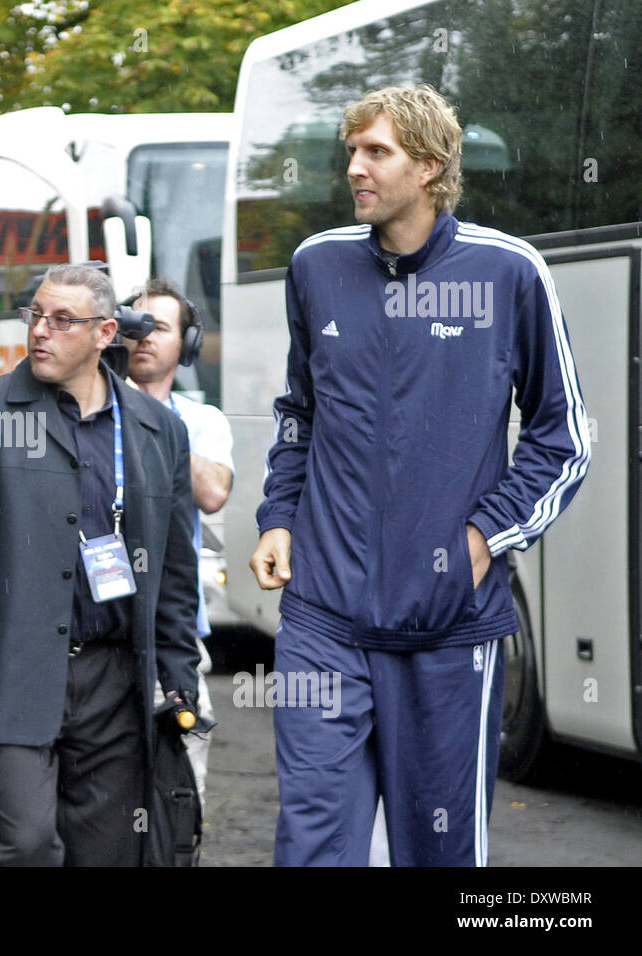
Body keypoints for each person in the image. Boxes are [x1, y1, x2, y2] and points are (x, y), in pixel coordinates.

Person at [249, 85, 591, 867]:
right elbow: (299, 409)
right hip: (321, 620)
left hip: (446, 625)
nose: (355, 169)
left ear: (430, 167)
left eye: (377, 153)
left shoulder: (510, 272)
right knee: (310, 845)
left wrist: (482, 539)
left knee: (435, 853)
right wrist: (278, 516)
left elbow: (562, 438)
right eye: (352, 151)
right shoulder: (316, 264)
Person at [0, 263, 201, 866]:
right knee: (24, 845)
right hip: (9, 667)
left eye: (63, 321)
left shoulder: (158, 429)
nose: (41, 331)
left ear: (106, 332)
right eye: (36, 315)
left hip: (116, 679)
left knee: (104, 853)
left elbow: (176, 571)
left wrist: (178, 677)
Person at [123, 277, 234, 802]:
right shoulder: (91, 407)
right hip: (93, 629)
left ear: (186, 345)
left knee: (180, 783)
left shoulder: (201, 421)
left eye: (159, 328)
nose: (144, 337)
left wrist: (151, 423)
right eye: (135, 325)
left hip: (175, 631)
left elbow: (212, 493)